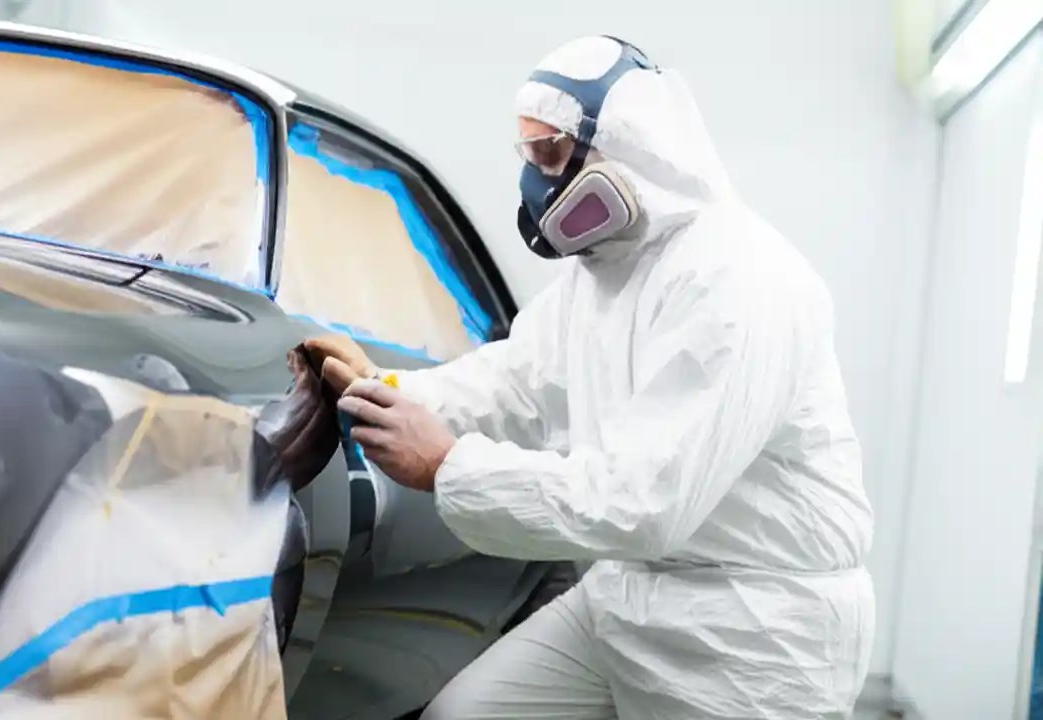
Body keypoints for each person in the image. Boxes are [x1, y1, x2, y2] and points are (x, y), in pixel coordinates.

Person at [306, 35, 875, 720]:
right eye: (528, 156)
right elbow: (514, 382)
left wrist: (447, 467)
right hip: (628, 597)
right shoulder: (604, 271)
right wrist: (387, 390)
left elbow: (644, 502)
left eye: (549, 154)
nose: (535, 182)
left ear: (628, 146)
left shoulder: (740, 281)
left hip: (754, 632)